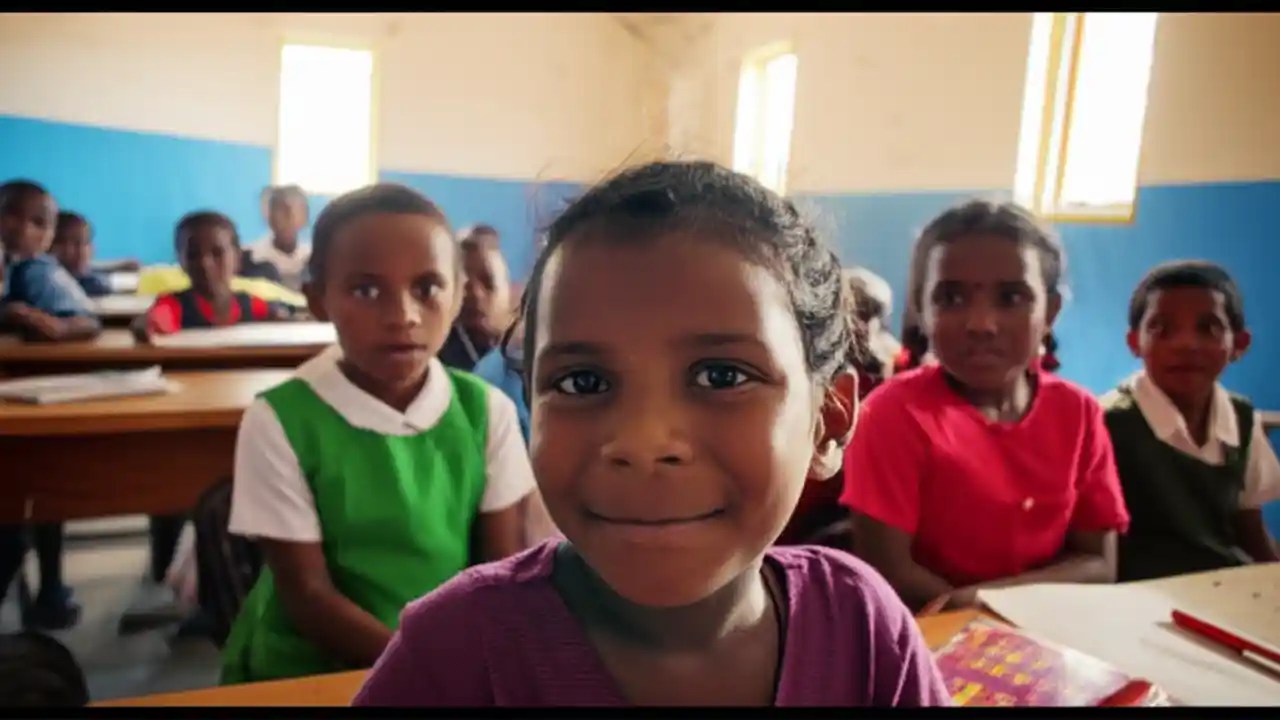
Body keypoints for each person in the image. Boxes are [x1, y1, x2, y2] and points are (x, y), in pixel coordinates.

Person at [353, 161, 950, 707]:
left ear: (830, 422)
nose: (642, 442)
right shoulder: (453, 656)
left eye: (722, 375)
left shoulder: (863, 631)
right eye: (582, 382)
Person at [221, 184, 545, 684]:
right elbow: (308, 597)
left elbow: (499, 569)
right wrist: (425, 668)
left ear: (458, 295)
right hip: (311, 669)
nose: (403, 316)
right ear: (317, 299)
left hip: (452, 658)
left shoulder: (486, 411)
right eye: (367, 290)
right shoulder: (279, 419)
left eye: (428, 287)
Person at [842, 199, 1130, 614]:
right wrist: (974, 614)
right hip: (923, 636)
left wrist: (983, 602)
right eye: (952, 298)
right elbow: (888, 571)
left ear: (1050, 311)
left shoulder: (1078, 413)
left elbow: (1100, 563)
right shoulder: (892, 413)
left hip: (1045, 633)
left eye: (1011, 297)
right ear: (922, 309)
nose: (981, 324)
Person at [1103, 260, 1280, 581]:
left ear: (1239, 345)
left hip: (1224, 589)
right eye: (1162, 328)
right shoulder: (1108, 423)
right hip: (1139, 596)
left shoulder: (1240, 420)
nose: (1186, 344)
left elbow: (1249, 525)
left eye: (1208, 327)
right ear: (1134, 343)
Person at [0, 180, 100, 631]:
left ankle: (50, 588)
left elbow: (87, 322)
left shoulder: (38, 271)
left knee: (34, 492)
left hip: (27, 402)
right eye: (11, 215)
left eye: (38, 223)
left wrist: (55, 328)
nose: (23, 229)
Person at [131, 211, 288, 341]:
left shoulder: (250, 304)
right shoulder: (175, 305)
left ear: (237, 259)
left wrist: (280, 317)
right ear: (180, 261)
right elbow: (151, 320)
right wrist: (146, 324)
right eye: (193, 255)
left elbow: (278, 316)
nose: (205, 263)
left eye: (217, 253)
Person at [438, 225, 511, 371]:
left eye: (488, 281)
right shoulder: (437, 365)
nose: (476, 294)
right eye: (464, 284)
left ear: (508, 289)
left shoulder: (528, 352)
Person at [246, 185, 311, 291]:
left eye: (296, 210)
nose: (289, 217)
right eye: (282, 210)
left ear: (305, 218)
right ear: (270, 216)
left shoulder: (314, 259)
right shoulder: (250, 258)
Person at [49, 212, 112, 297]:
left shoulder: (88, 278)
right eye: (74, 243)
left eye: (86, 242)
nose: (81, 251)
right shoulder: (48, 282)